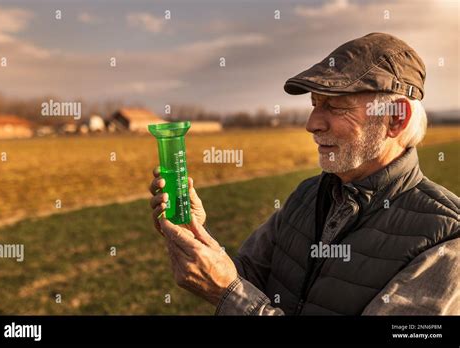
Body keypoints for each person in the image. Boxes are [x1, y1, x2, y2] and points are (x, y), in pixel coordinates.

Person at [149, 33, 459, 315]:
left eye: (336, 106)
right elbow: (247, 277)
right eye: (314, 104)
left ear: (395, 118)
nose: (312, 123)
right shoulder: (307, 195)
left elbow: (236, 291)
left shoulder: (446, 237)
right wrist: (194, 233)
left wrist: (230, 295)